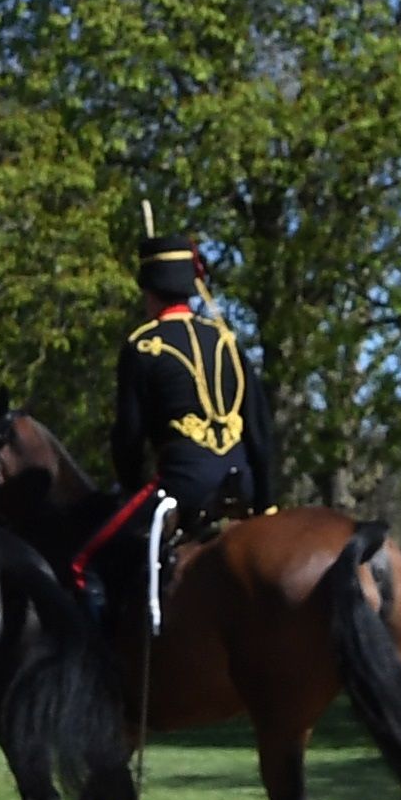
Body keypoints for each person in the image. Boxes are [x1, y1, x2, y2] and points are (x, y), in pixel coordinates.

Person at [98, 232, 272, 625]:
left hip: (182, 489)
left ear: (149, 289)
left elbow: (128, 439)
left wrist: (130, 489)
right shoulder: (228, 341)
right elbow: (260, 433)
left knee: (85, 563)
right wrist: (266, 504)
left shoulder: (143, 346)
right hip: (241, 488)